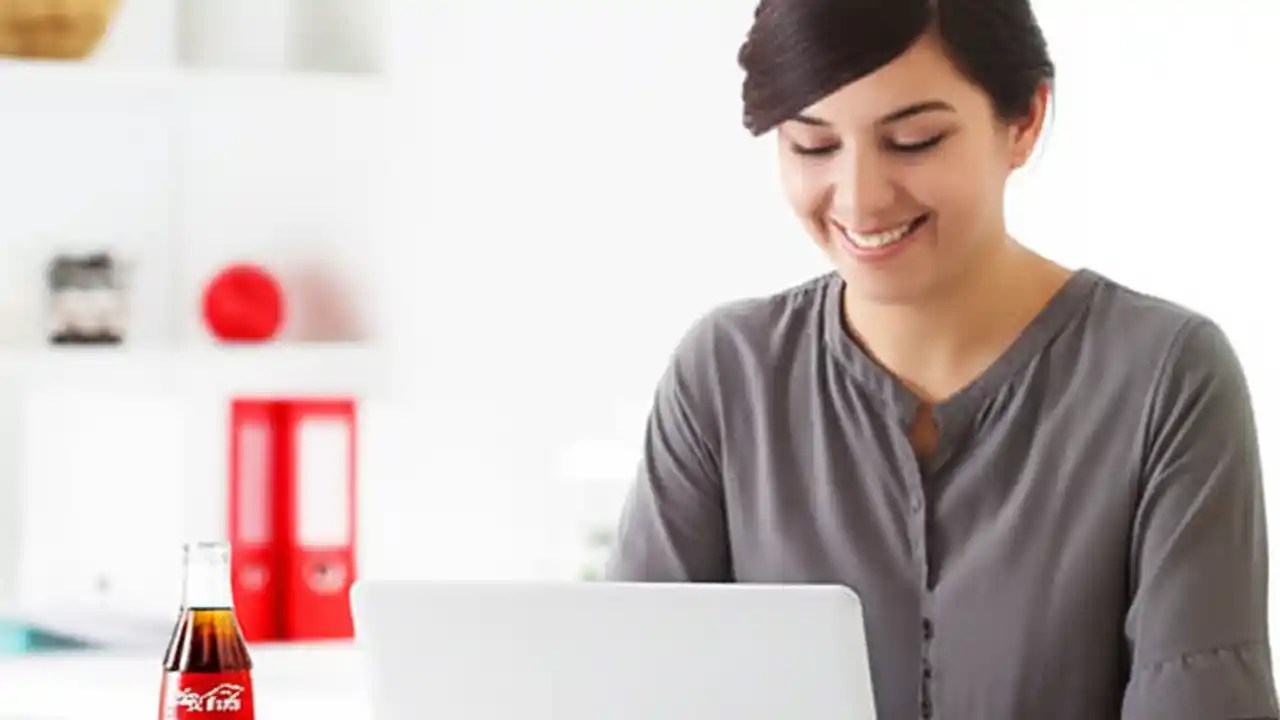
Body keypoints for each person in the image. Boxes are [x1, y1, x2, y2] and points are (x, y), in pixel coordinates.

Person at [603, 0, 1280, 718]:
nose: (860, 199)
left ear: (1024, 121)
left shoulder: (1166, 378)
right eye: (812, 146)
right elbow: (628, 684)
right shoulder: (725, 378)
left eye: (913, 140)